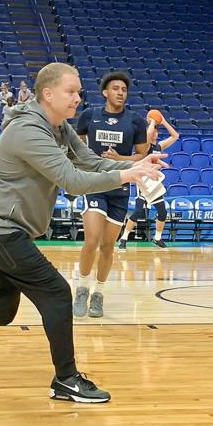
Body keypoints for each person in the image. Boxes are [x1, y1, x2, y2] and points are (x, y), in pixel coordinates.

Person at [0, 62, 166, 403]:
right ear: (48, 94)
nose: (77, 99)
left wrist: (134, 165)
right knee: (57, 292)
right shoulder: (28, 130)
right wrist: (127, 177)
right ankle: (66, 379)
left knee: (0, 309)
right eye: (71, 92)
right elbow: (72, 179)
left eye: (79, 93)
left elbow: (88, 160)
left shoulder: (59, 127)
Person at [73, 71, 149, 319]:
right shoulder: (89, 116)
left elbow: (141, 156)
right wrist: (84, 164)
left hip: (120, 188)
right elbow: (76, 143)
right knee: (92, 240)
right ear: (105, 92)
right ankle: (82, 289)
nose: (120, 92)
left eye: (124, 89)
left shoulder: (136, 121)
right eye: (115, 88)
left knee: (107, 246)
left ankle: (99, 294)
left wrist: (120, 159)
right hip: (95, 184)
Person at [118, 114, 179, 249]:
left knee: (162, 212)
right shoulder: (143, 147)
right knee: (138, 212)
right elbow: (147, 135)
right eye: (153, 132)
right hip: (143, 181)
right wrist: (152, 121)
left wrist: (163, 121)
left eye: (157, 132)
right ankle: (123, 238)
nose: (155, 134)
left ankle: (157, 238)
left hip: (154, 182)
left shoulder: (158, 147)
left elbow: (175, 136)